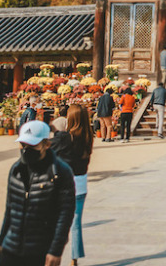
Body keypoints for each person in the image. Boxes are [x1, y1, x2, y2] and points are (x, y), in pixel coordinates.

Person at [0, 121, 75, 266]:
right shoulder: (16, 170)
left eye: (32, 145)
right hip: (11, 247)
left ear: (47, 144)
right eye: (23, 145)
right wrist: (1, 241)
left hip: (40, 250)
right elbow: (10, 208)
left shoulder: (60, 172)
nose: (26, 149)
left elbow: (65, 214)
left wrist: (56, 250)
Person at [50, 105, 93, 266]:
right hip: (81, 184)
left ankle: (53, 255)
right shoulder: (88, 137)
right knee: (75, 224)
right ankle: (74, 259)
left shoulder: (64, 138)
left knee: (56, 222)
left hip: (65, 185)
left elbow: (47, 150)